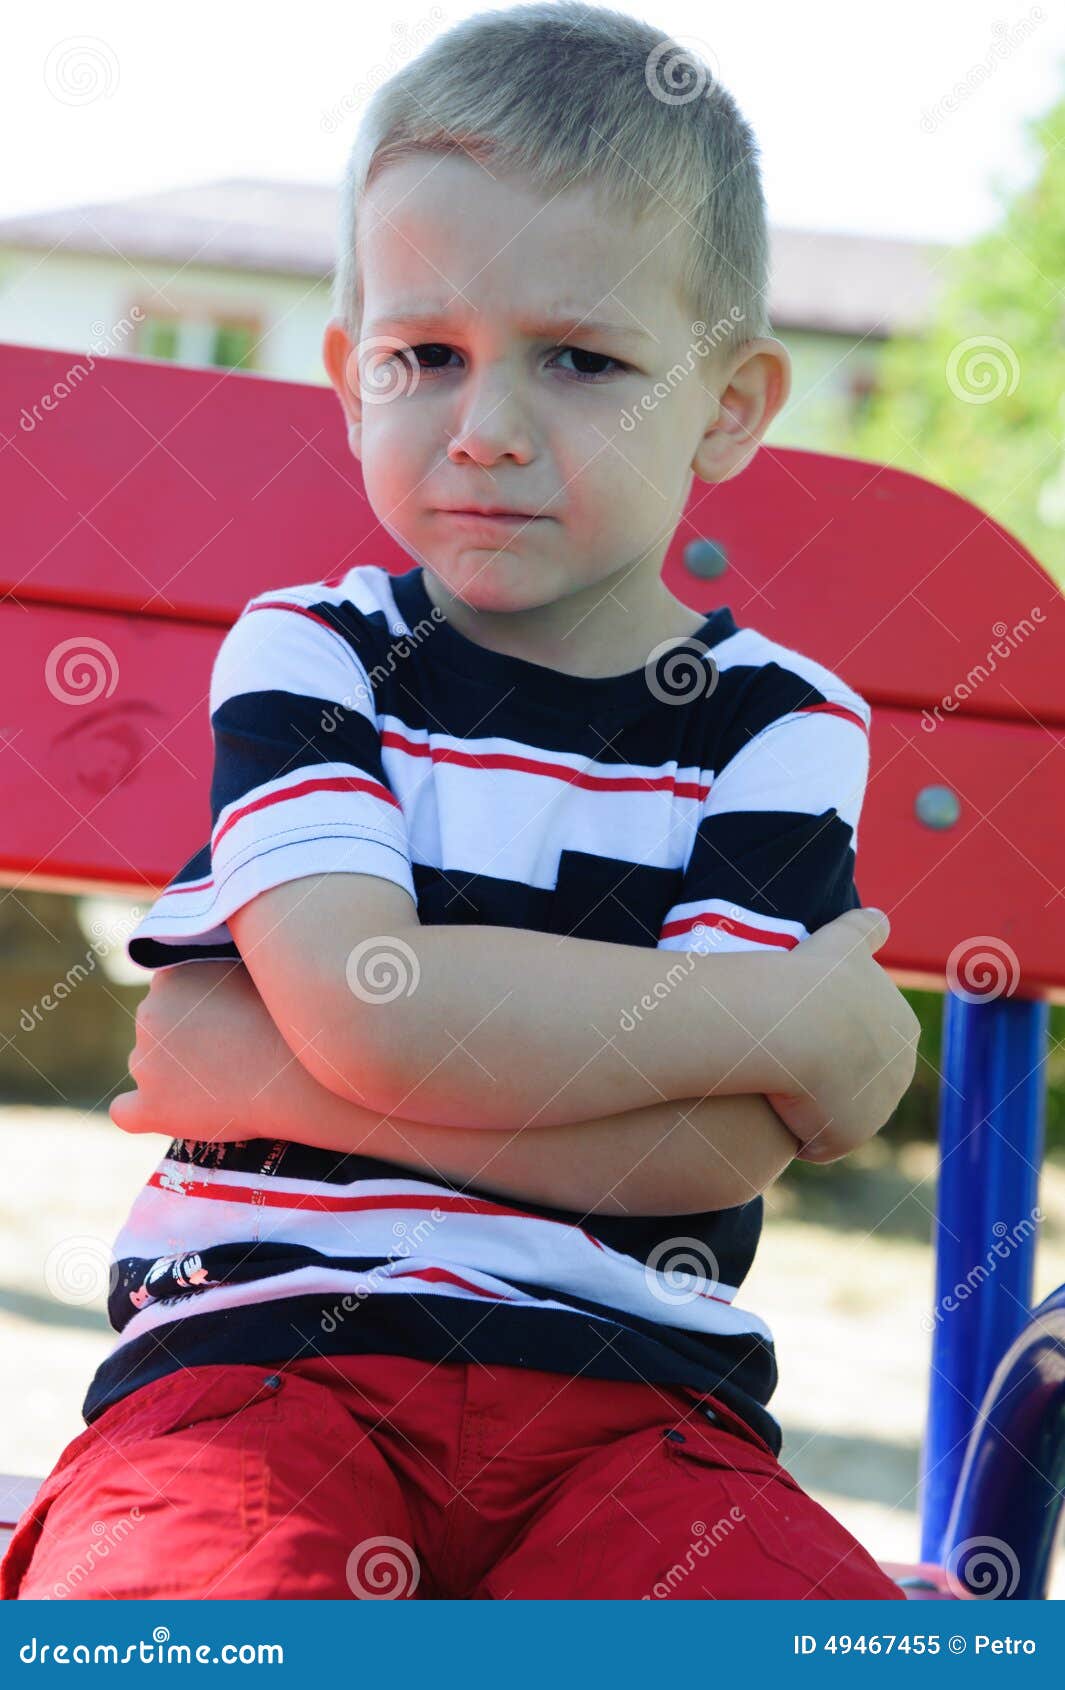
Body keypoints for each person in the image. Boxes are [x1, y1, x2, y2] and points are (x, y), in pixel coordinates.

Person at [1, 1, 919, 1601]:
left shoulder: (781, 725)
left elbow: (694, 1162)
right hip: (262, 1367)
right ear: (352, 376)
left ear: (727, 401)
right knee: (178, 1618)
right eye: (426, 356)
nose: (485, 430)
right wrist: (790, 1018)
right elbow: (380, 1007)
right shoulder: (316, 657)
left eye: (579, 359)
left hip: (642, 1411)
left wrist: (269, 1078)